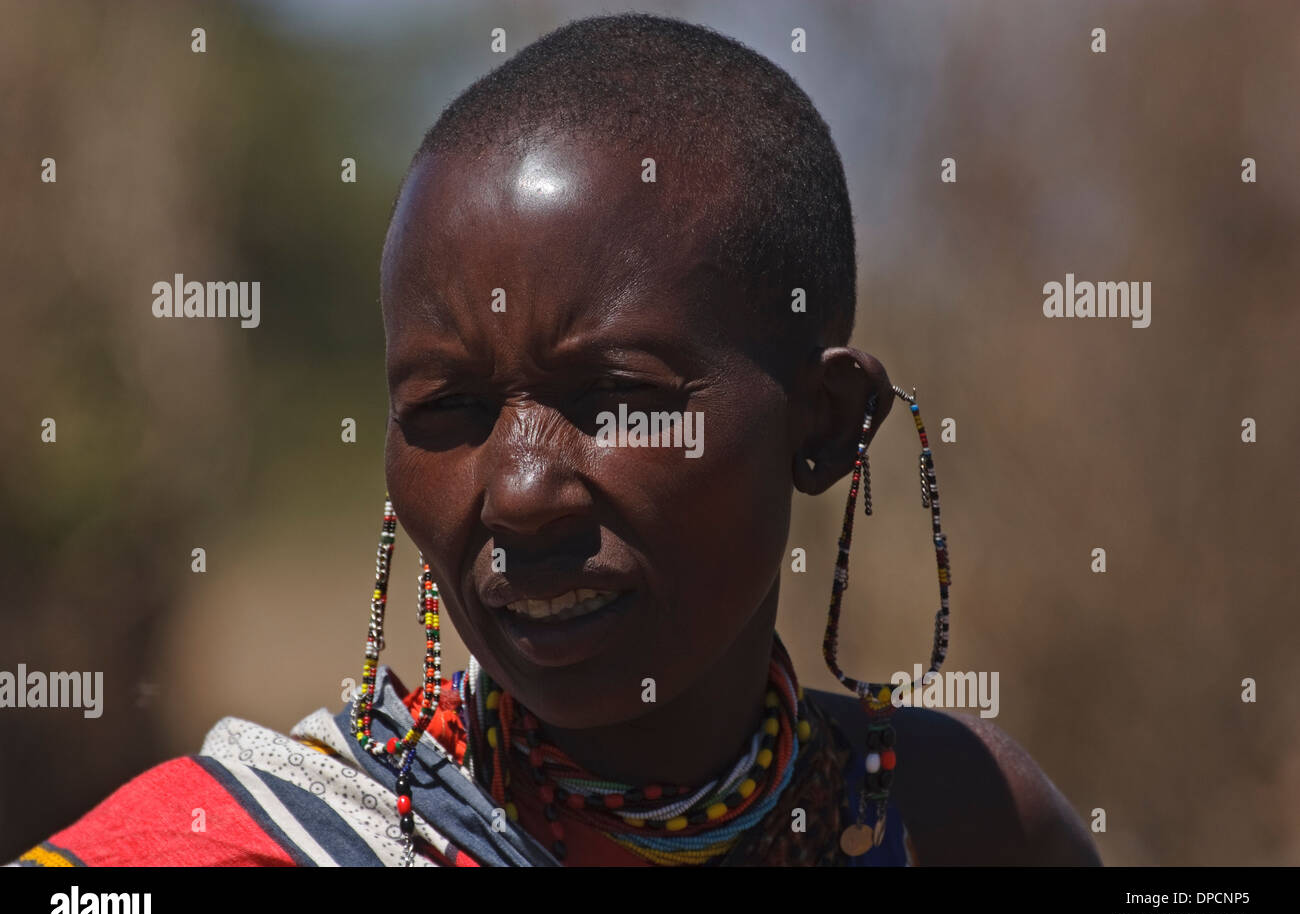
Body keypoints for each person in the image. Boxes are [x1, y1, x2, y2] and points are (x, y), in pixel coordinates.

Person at [11, 12, 1099, 868]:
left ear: (822, 428)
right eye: (448, 409)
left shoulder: (957, 823)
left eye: (612, 397)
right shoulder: (252, 847)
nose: (520, 492)